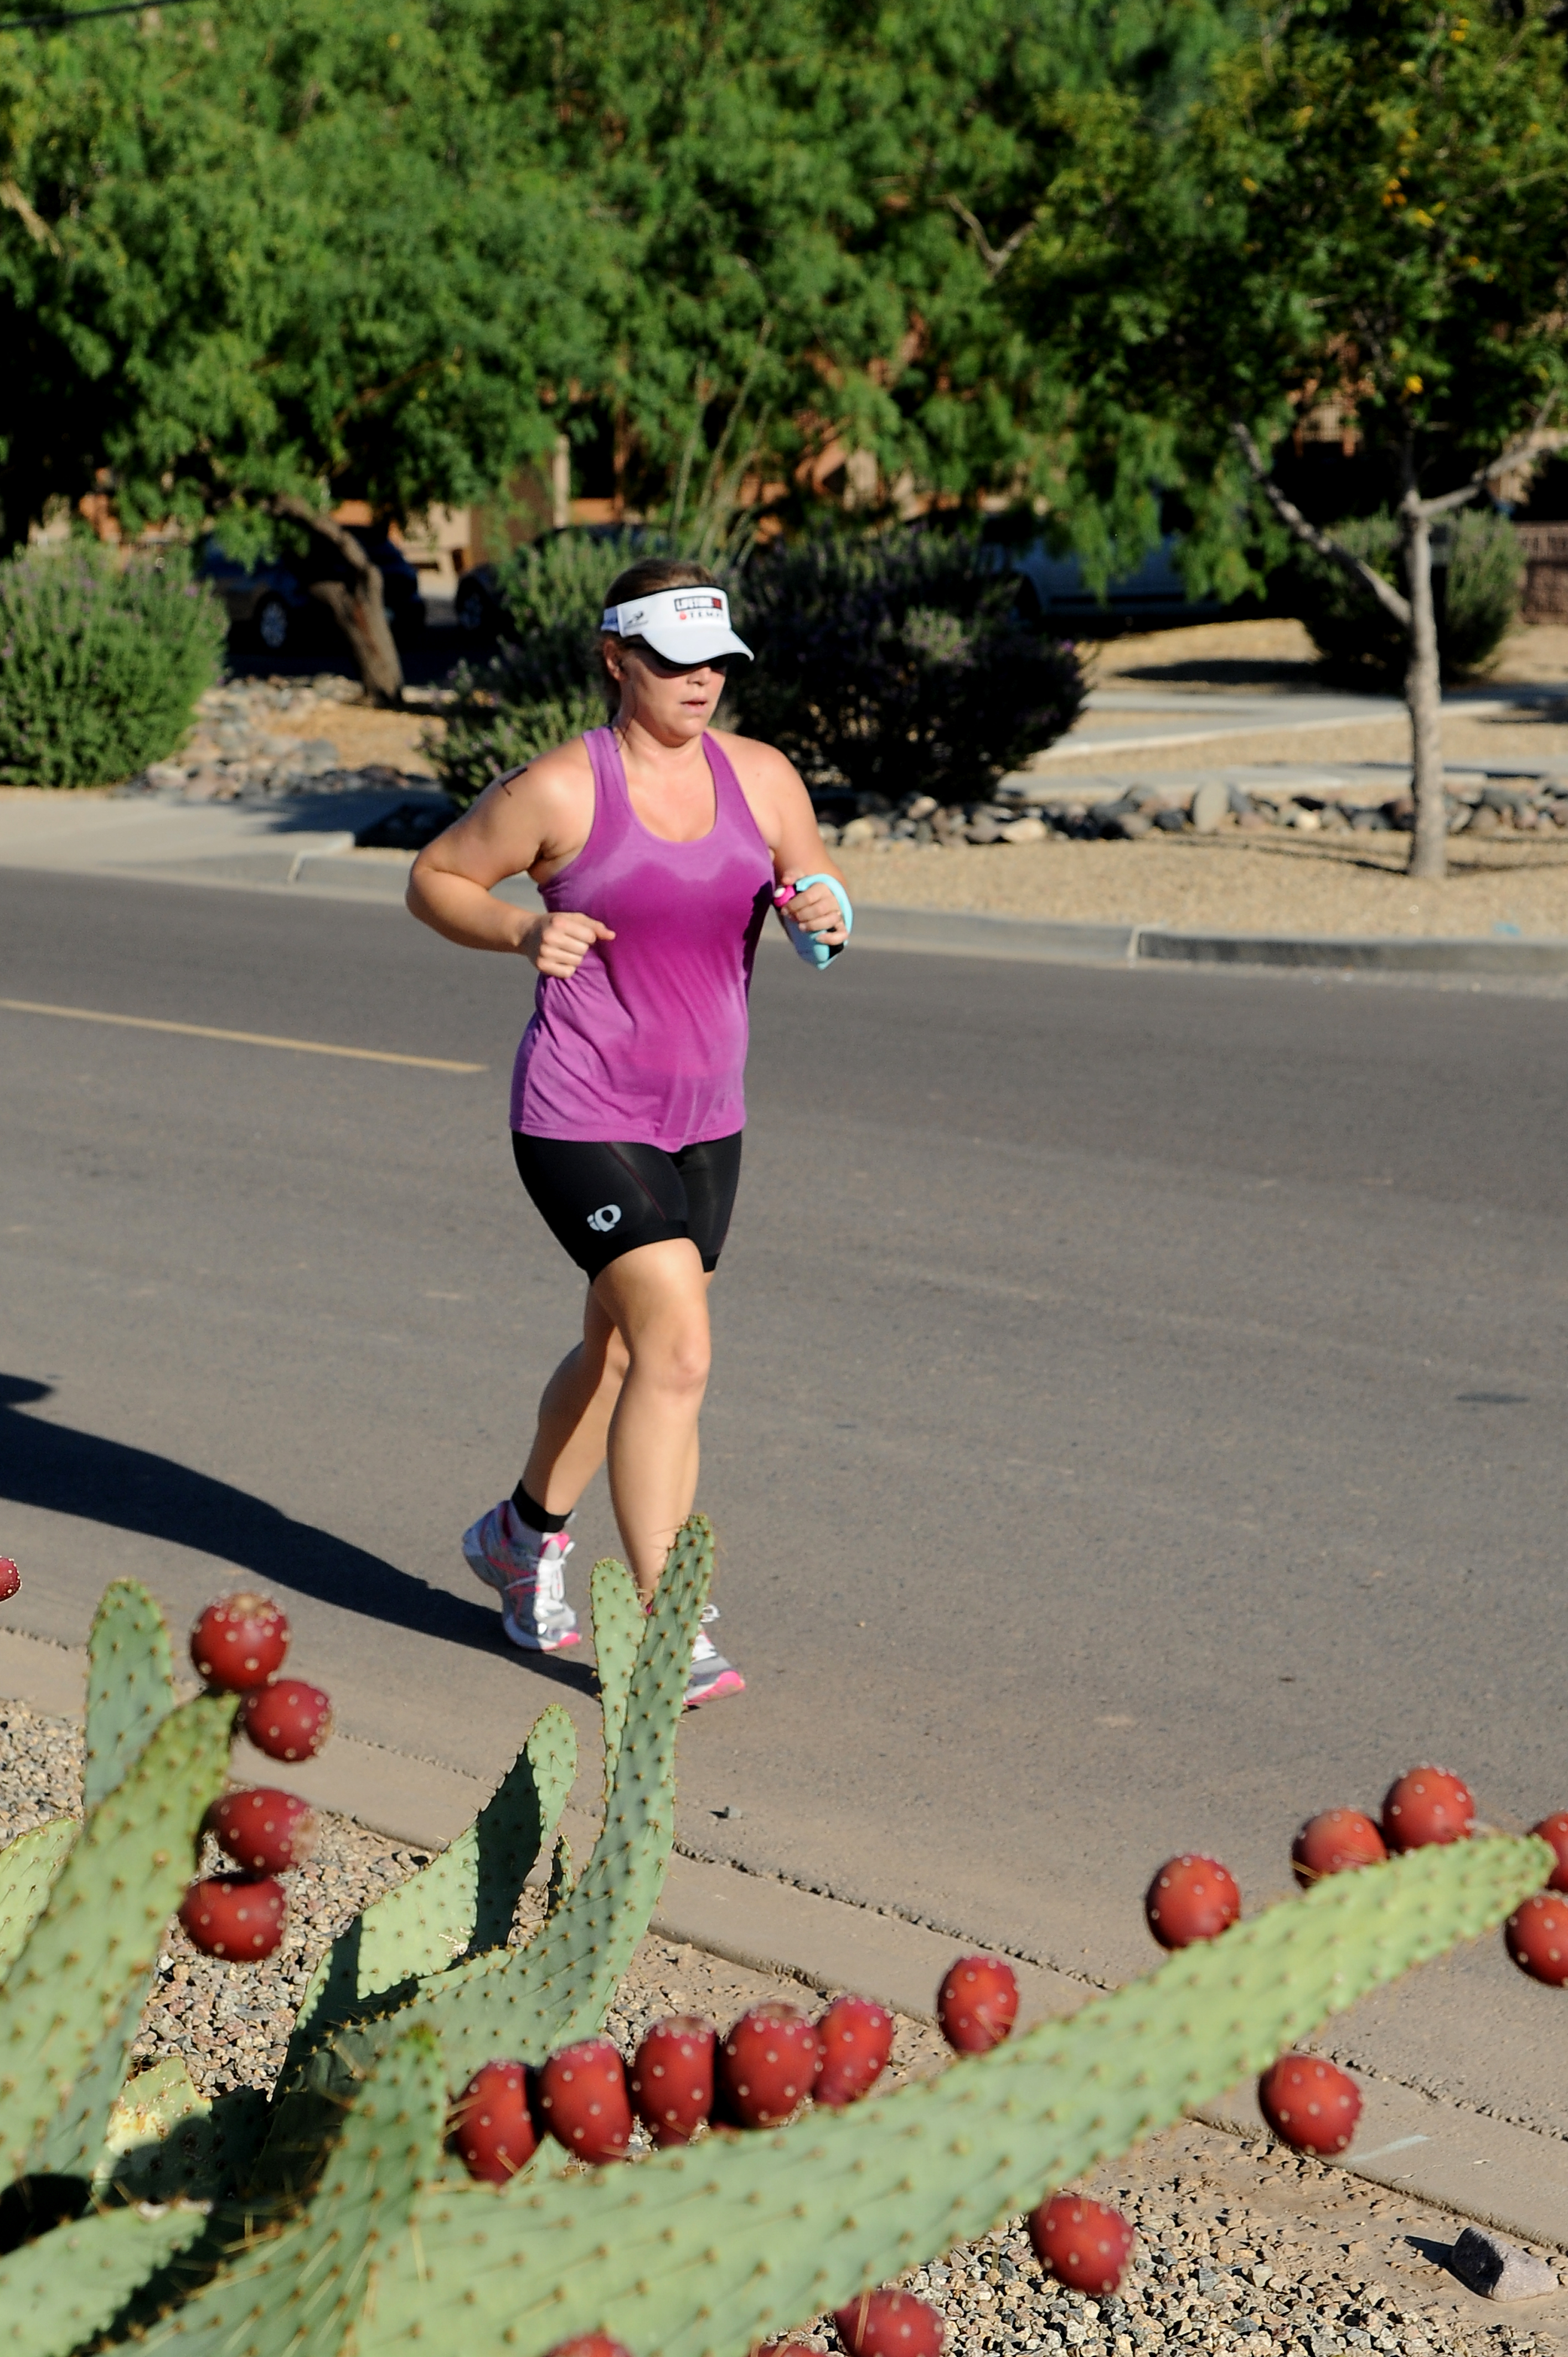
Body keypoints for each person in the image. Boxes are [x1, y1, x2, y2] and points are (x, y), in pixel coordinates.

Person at [406, 557, 850, 1705]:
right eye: (675, 661)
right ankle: (665, 1624)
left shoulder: (763, 776)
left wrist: (824, 915)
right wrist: (519, 932)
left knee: (619, 1352)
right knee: (680, 1350)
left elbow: (817, 905)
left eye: (717, 662)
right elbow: (436, 877)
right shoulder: (563, 788)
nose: (701, 682)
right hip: (581, 1109)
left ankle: (519, 1536)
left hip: (706, 1119)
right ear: (617, 659)